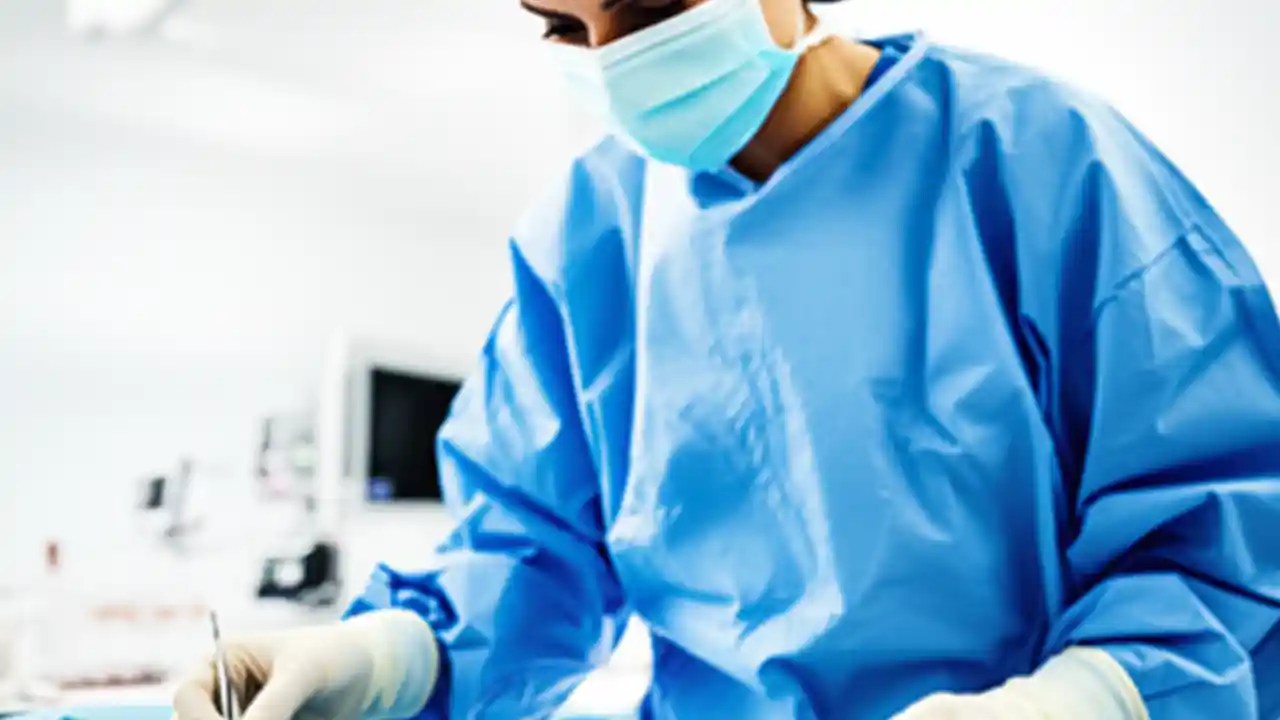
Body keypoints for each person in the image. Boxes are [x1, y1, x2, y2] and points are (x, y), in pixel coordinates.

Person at [173, 0, 1280, 718]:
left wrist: (1075, 702)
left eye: (651, 7)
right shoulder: (588, 236)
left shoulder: (1038, 162)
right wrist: (378, 659)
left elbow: (1224, 529)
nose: (612, 62)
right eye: (562, 26)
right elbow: (527, 553)